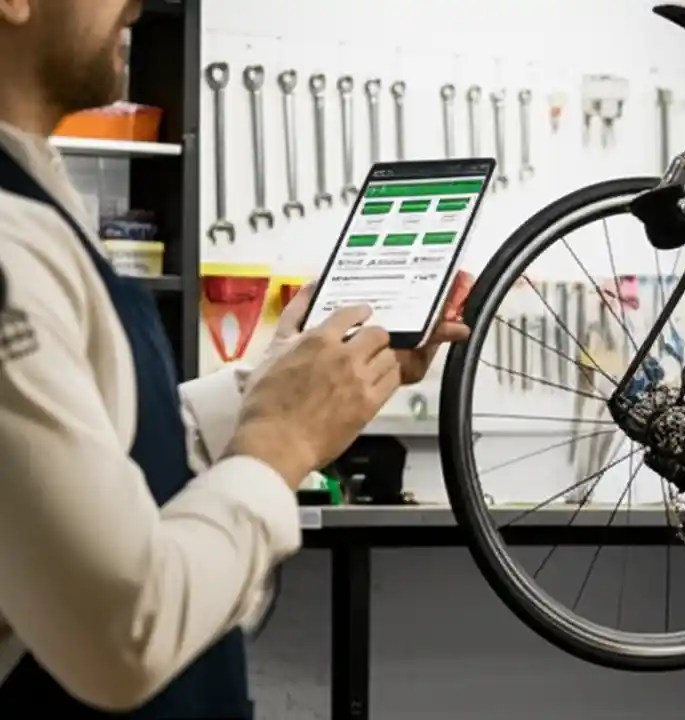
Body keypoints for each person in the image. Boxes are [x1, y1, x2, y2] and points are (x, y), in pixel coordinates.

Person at [0, 0, 469, 715]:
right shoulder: (9, 248)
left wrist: (278, 381)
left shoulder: (36, 199)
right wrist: (279, 444)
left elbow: (105, 447)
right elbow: (125, 632)